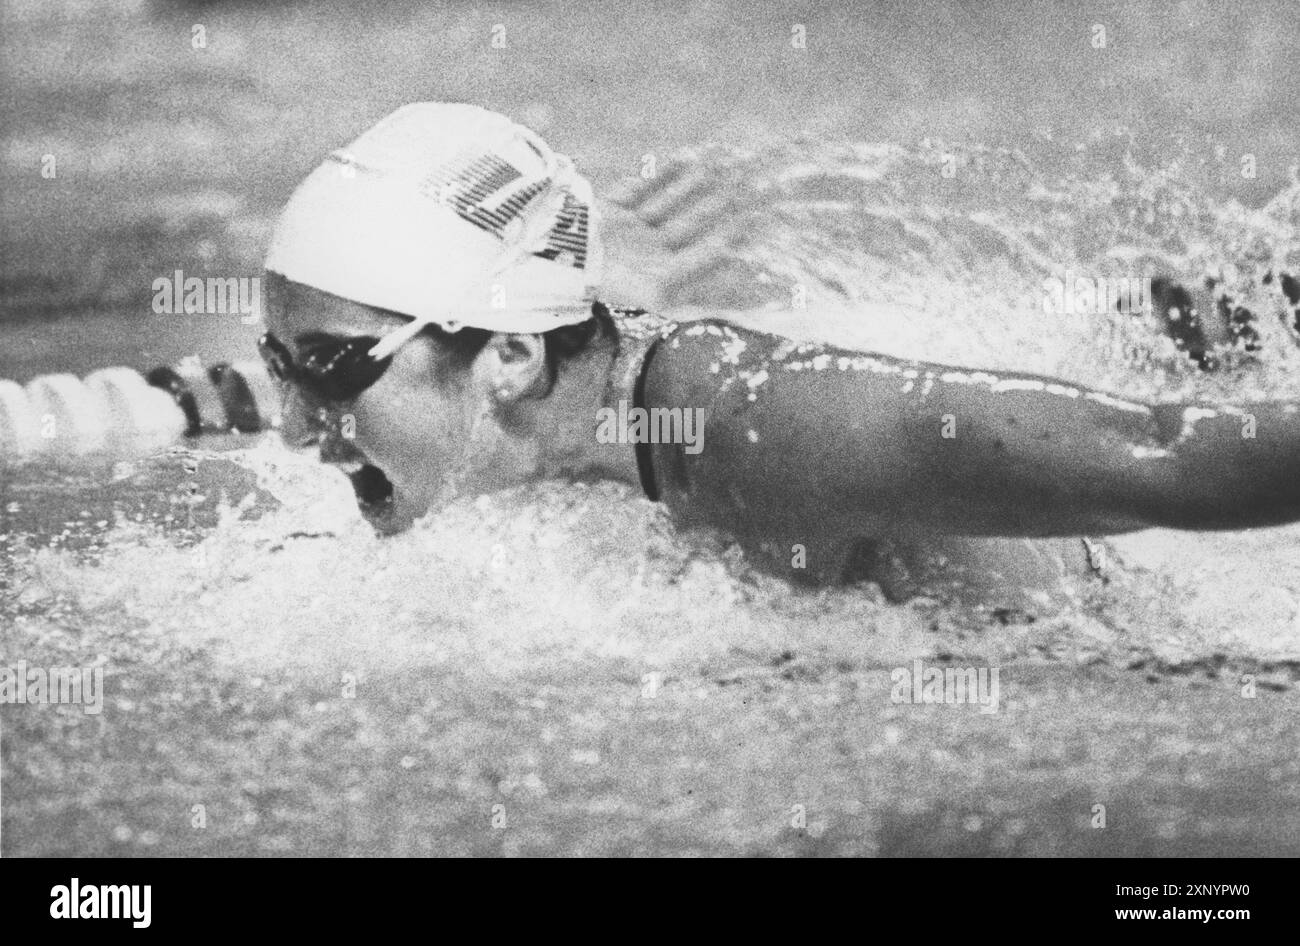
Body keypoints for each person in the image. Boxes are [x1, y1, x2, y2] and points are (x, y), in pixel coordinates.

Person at [258, 103, 1300, 590]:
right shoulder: (558, 408)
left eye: (334, 370)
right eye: (276, 367)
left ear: (513, 359)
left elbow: (1171, 452)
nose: (297, 428)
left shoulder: (785, 431)